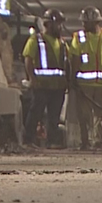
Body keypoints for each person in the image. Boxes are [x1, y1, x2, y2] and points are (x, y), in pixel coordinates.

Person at [69, 6, 102, 150]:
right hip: (84, 84)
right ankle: (85, 142)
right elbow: (75, 58)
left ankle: (99, 142)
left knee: (100, 116)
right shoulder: (78, 37)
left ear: (95, 22)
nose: (83, 25)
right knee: (84, 115)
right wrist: (73, 77)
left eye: (86, 22)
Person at [22, 9, 70, 148]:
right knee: (36, 112)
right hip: (41, 85)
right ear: (48, 24)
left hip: (58, 86)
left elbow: (66, 64)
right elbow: (28, 59)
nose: (60, 27)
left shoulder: (62, 43)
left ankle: (52, 141)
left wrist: (68, 81)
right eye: (58, 24)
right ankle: (29, 139)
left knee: (54, 116)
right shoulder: (37, 40)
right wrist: (32, 78)